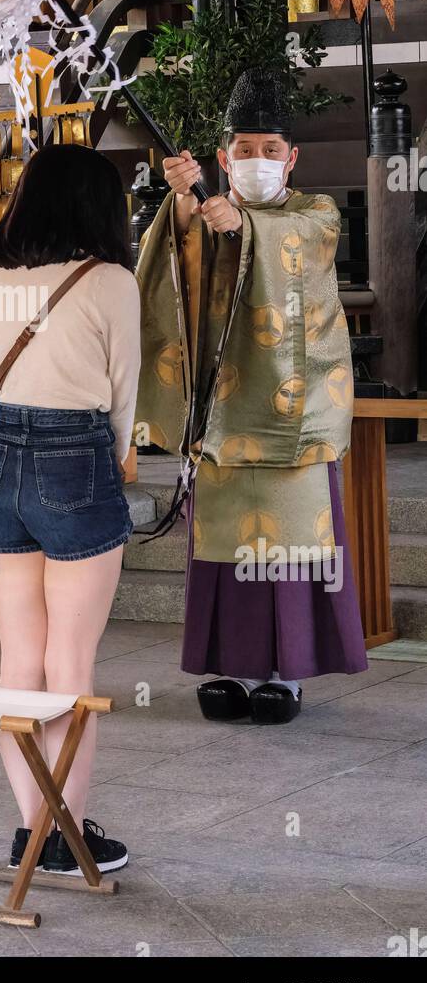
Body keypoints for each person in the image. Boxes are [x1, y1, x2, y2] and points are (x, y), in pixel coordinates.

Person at [137, 67, 367, 725]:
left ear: (292, 158)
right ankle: (235, 671)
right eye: (244, 149)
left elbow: (300, 254)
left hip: (292, 419)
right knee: (226, 554)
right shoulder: (205, 206)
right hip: (221, 411)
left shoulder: (314, 216)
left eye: (271, 150)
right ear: (221, 156)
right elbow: (165, 278)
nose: (258, 160)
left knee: (287, 552)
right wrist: (184, 207)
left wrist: (242, 226)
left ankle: (286, 677)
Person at [0, 144, 140, 875]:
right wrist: (120, 458)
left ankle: (30, 828)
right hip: (77, 453)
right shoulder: (109, 280)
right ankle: (66, 833)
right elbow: (124, 388)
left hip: (2, 454)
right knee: (72, 662)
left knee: (19, 661)